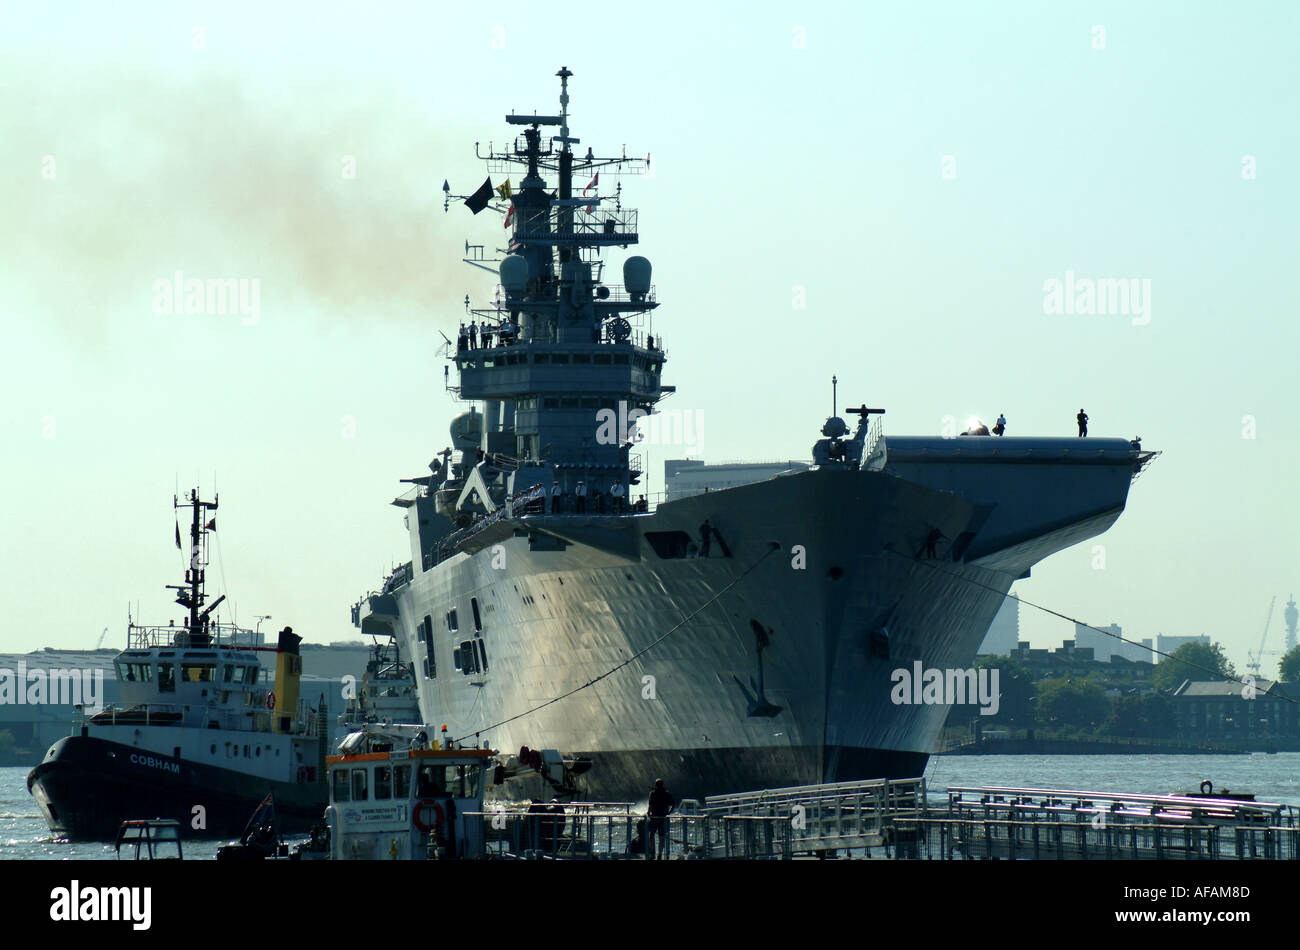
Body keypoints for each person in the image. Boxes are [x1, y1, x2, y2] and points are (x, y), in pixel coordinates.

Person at [646, 778, 676, 860]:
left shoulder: (652, 793)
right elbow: (673, 805)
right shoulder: (667, 794)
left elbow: (650, 805)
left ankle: (652, 853)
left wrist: (648, 813)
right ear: (663, 785)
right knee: (662, 837)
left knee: (651, 835)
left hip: (654, 818)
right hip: (663, 818)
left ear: (656, 785)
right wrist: (669, 813)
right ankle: (659, 854)